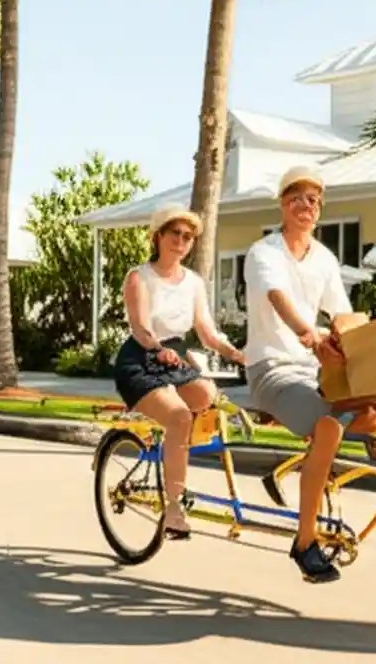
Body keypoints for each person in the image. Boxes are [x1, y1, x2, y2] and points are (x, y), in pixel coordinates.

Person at [243, 165, 376, 584]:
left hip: (312, 367)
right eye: (296, 197)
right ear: (282, 204)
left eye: (312, 199)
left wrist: (372, 349)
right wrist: (306, 332)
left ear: (319, 208)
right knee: (329, 428)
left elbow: (342, 315)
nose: (305, 205)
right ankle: (305, 543)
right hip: (270, 367)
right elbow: (276, 296)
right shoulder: (265, 254)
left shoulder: (324, 258)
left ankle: (296, 469)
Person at [115, 203, 246, 540]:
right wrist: (159, 350)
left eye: (189, 237)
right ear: (158, 236)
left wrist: (236, 353)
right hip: (141, 360)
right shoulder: (139, 277)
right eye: (175, 233)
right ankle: (174, 509)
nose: (182, 241)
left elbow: (206, 331)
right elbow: (141, 328)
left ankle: (172, 447)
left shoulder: (193, 282)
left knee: (208, 396)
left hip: (174, 360)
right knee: (180, 417)